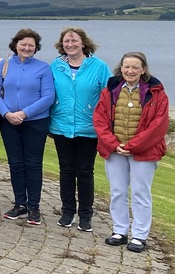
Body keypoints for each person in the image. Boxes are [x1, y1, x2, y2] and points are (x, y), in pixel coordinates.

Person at [94, 52, 169, 253]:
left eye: (135, 67)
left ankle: (139, 235)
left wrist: (132, 146)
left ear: (143, 69)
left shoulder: (157, 93)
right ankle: (120, 231)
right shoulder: (110, 90)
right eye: (126, 66)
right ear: (121, 68)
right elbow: (100, 119)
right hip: (115, 150)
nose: (130, 71)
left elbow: (158, 125)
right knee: (117, 192)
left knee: (140, 193)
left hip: (143, 152)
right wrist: (113, 144)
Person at [0, 28, 55, 226]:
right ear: (15, 45)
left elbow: (48, 96)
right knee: (15, 163)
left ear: (36, 48)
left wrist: (24, 113)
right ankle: (20, 204)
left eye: (31, 46)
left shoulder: (43, 68)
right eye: (23, 44)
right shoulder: (5, 64)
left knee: (33, 164)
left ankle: (34, 206)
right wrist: (7, 114)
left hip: (35, 122)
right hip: (9, 122)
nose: (26, 48)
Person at [49, 27, 110, 231]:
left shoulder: (99, 66)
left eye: (74, 41)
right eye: (66, 41)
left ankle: (86, 215)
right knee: (66, 171)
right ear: (61, 44)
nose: (70, 44)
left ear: (83, 43)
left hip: (89, 128)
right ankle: (67, 212)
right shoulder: (56, 66)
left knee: (85, 172)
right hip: (61, 126)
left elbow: (109, 95)